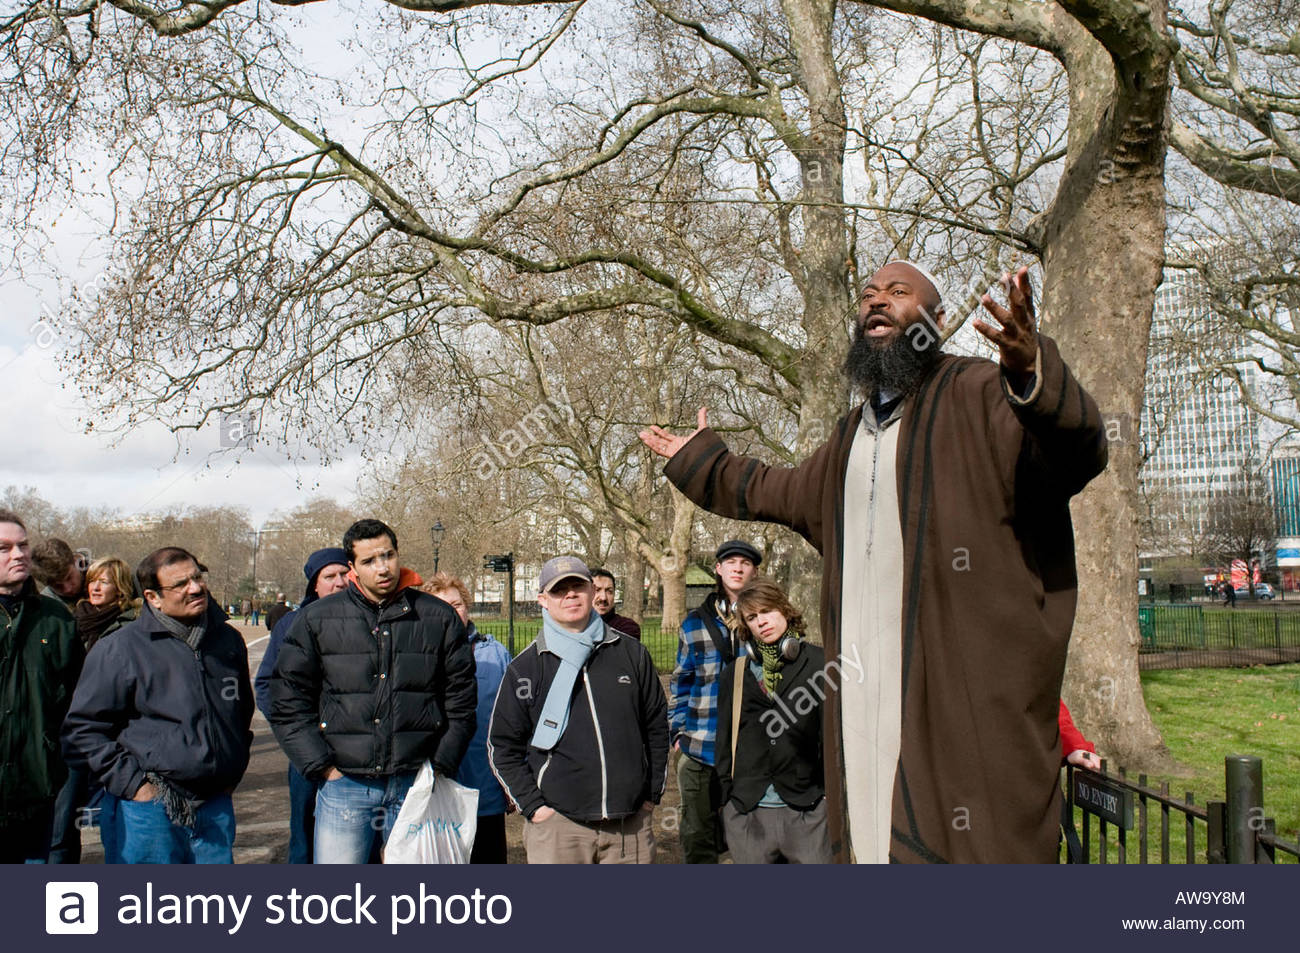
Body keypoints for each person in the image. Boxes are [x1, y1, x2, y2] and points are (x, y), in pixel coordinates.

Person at [640, 263, 1108, 863]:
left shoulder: (980, 392)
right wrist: (703, 460)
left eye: (898, 292)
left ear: (936, 321)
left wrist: (1030, 371)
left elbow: (1078, 449)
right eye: (868, 296)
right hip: (858, 700)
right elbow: (773, 490)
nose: (877, 303)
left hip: (955, 706)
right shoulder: (850, 436)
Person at [269, 519, 477, 864]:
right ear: (352, 568)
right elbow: (287, 700)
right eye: (369, 561)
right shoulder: (316, 619)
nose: (382, 568)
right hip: (345, 784)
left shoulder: (438, 618)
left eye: (388, 555)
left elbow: (460, 699)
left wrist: (441, 763)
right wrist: (322, 767)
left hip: (417, 782)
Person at [63, 547, 254, 863]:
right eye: (180, 584)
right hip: (149, 810)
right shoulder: (119, 649)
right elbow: (82, 731)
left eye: (197, 577)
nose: (195, 588)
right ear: (152, 597)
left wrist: (232, 768)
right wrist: (137, 786)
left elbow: (240, 713)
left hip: (215, 805)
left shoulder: (228, 641)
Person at [488, 556, 668, 864]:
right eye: (559, 590)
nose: (570, 595)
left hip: (629, 826)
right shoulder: (526, 668)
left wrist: (651, 795)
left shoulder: (632, 654)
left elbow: (656, 727)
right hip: (559, 828)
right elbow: (501, 746)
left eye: (578, 586)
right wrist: (534, 806)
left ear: (591, 591)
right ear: (543, 600)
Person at [715, 578, 831, 864]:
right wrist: (728, 803)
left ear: (785, 610)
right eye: (752, 617)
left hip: (807, 809)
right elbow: (724, 742)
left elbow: (832, 739)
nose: (761, 622)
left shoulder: (820, 664)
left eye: (767, 611)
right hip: (748, 812)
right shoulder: (735, 673)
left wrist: (827, 799)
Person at [252, 548, 350, 864]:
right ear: (315, 585)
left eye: (344, 573)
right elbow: (268, 686)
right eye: (329, 576)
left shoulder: (371, 618)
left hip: (360, 753)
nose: (339, 582)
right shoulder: (292, 624)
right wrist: (297, 737)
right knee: (305, 843)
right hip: (308, 752)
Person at [0, 510, 84, 863]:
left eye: (23, 545)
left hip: (39, 791)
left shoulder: (57, 618)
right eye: (3, 548)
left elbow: (80, 702)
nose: (18, 554)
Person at [670, 539, 760, 863]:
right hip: (699, 746)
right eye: (731, 562)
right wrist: (678, 733)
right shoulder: (694, 623)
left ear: (754, 571)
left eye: (745, 563)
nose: (738, 568)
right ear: (718, 569)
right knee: (697, 837)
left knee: (749, 839)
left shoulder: (765, 620)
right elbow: (682, 682)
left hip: (750, 752)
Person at [49, 556, 141, 863]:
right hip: (75, 735)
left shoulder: (132, 624)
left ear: (121, 587)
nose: (95, 587)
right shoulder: (75, 619)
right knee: (61, 827)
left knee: (115, 827)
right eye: (92, 580)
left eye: (105, 581)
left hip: (117, 740)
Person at [425, 571, 513, 864]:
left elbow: (515, 719)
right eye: (440, 606)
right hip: (434, 789)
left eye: (456, 604)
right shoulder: (415, 657)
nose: (450, 613)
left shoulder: (495, 654)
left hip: (484, 786)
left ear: (467, 607)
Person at [31, 537, 86, 611]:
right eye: (58, 586)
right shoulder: (47, 608)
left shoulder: (102, 574)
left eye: (69, 577)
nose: (68, 589)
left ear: (76, 560)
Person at [591, 568, 641, 640]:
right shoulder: (574, 626)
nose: (603, 598)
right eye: (597, 590)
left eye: (609, 591)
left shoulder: (627, 627)